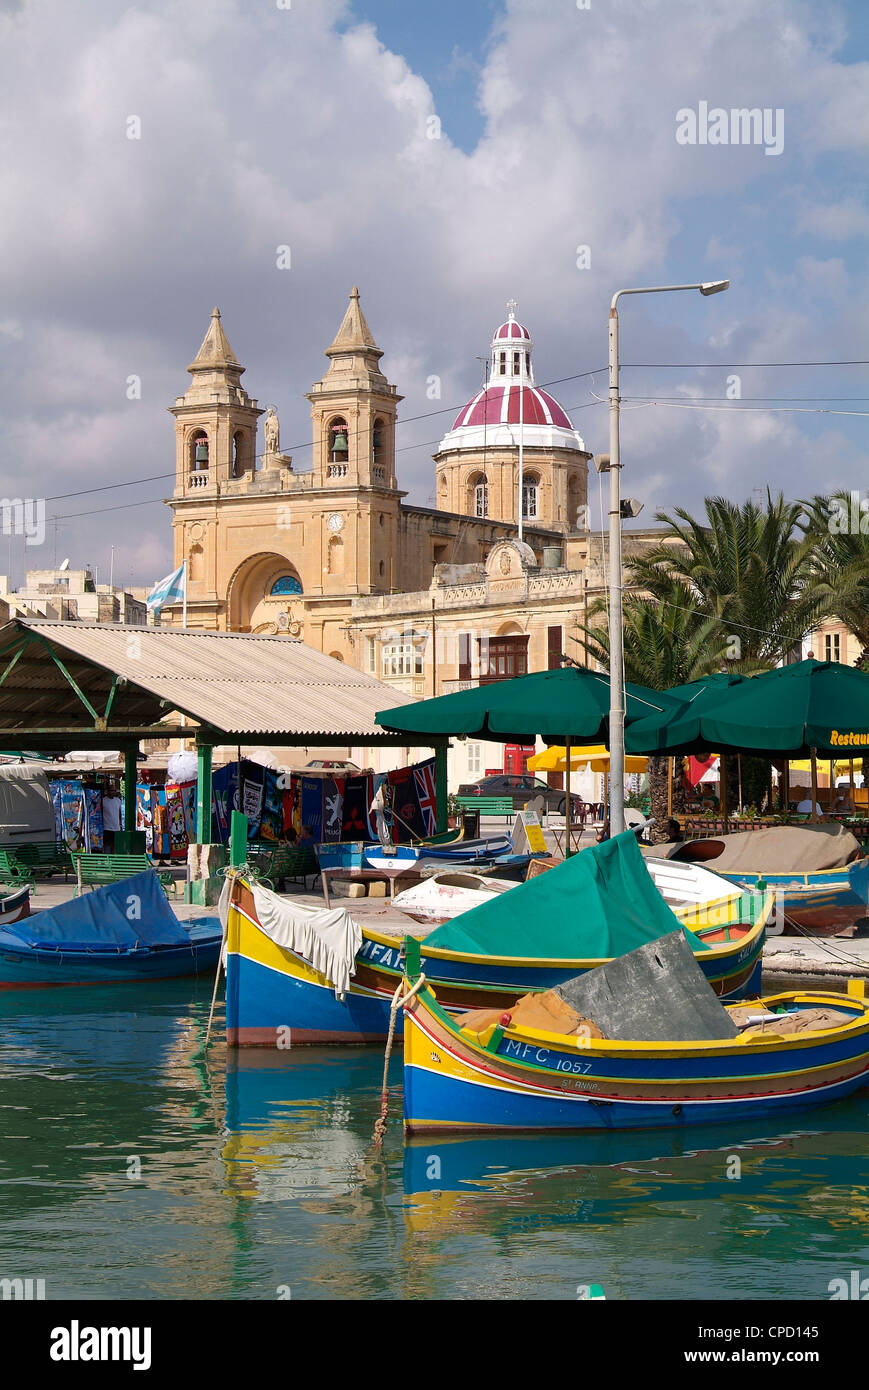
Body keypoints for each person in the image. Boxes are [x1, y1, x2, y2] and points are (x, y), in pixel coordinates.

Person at [101, 783, 122, 852]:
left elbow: (119, 814)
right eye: (111, 790)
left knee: (115, 845)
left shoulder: (118, 801)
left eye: (114, 790)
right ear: (107, 791)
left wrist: (120, 825)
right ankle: (107, 859)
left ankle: (114, 859)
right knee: (107, 845)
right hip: (107, 828)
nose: (113, 792)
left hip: (116, 828)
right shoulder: (103, 801)